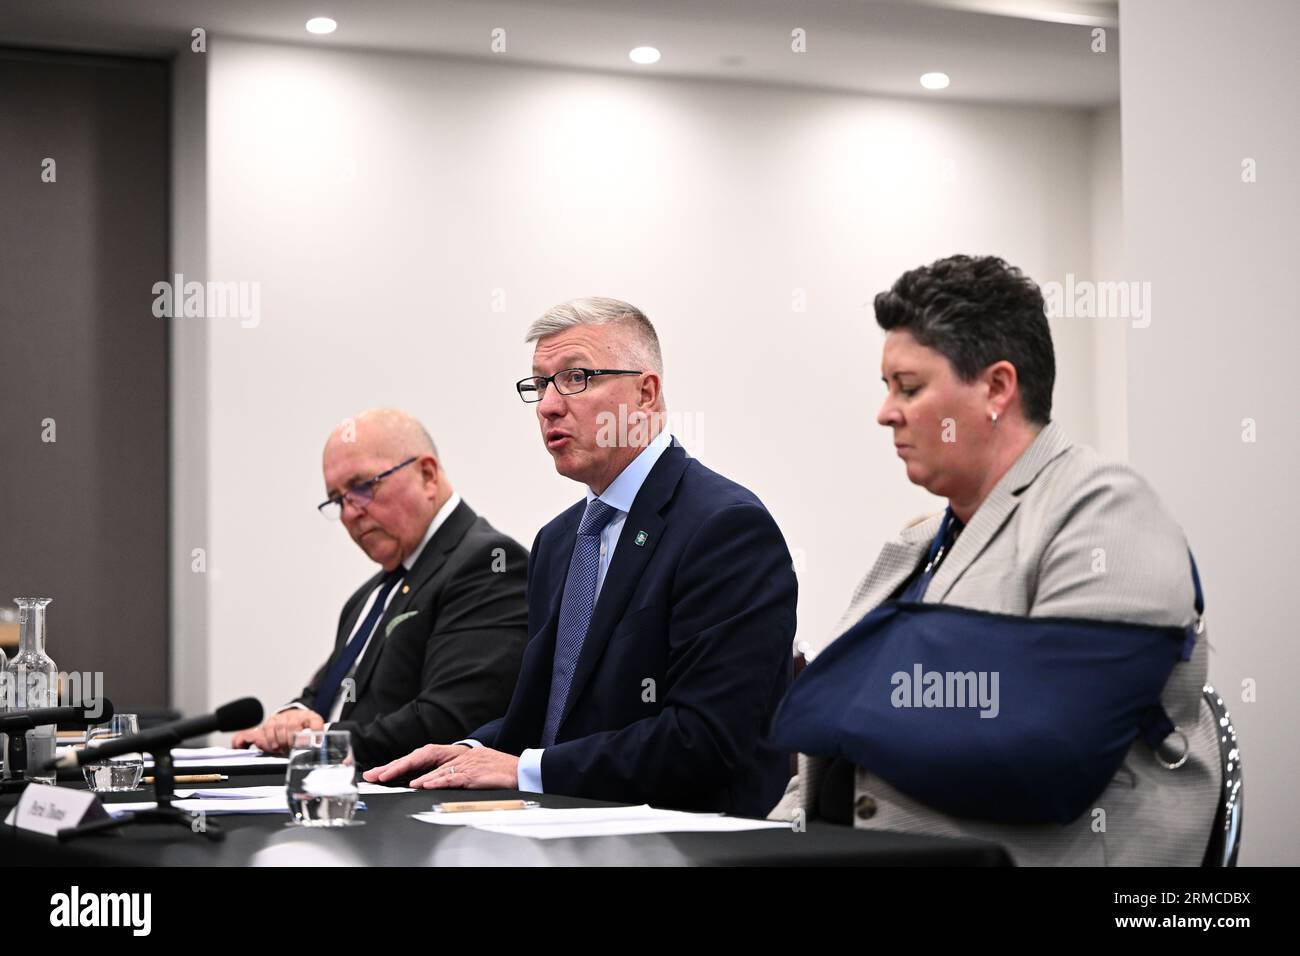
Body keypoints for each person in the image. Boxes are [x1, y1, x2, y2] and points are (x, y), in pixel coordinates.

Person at [769, 255, 1219, 865]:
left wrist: (839, 701)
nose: (886, 412)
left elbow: (1049, 756)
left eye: (910, 387)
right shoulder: (916, 544)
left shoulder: (1108, 513)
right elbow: (823, 763)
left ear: (997, 388)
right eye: (887, 388)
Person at [366, 298, 797, 817]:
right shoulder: (560, 539)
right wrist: (472, 751)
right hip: (560, 829)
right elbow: (551, 718)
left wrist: (524, 770)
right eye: (539, 384)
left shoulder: (724, 528)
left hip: (683, 839)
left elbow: (702, 739)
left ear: (645, 393)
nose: (548, 405)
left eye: (575, 378)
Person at [232, 408, 528, 769]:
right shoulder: (369, 595)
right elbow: (327, 694)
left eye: (362, 486)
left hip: (417, 812)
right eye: (338, 499)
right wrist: (294, 717)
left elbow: (449, 719)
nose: (350, 512)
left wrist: (317, 743)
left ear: (427, 475)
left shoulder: (487, 563)